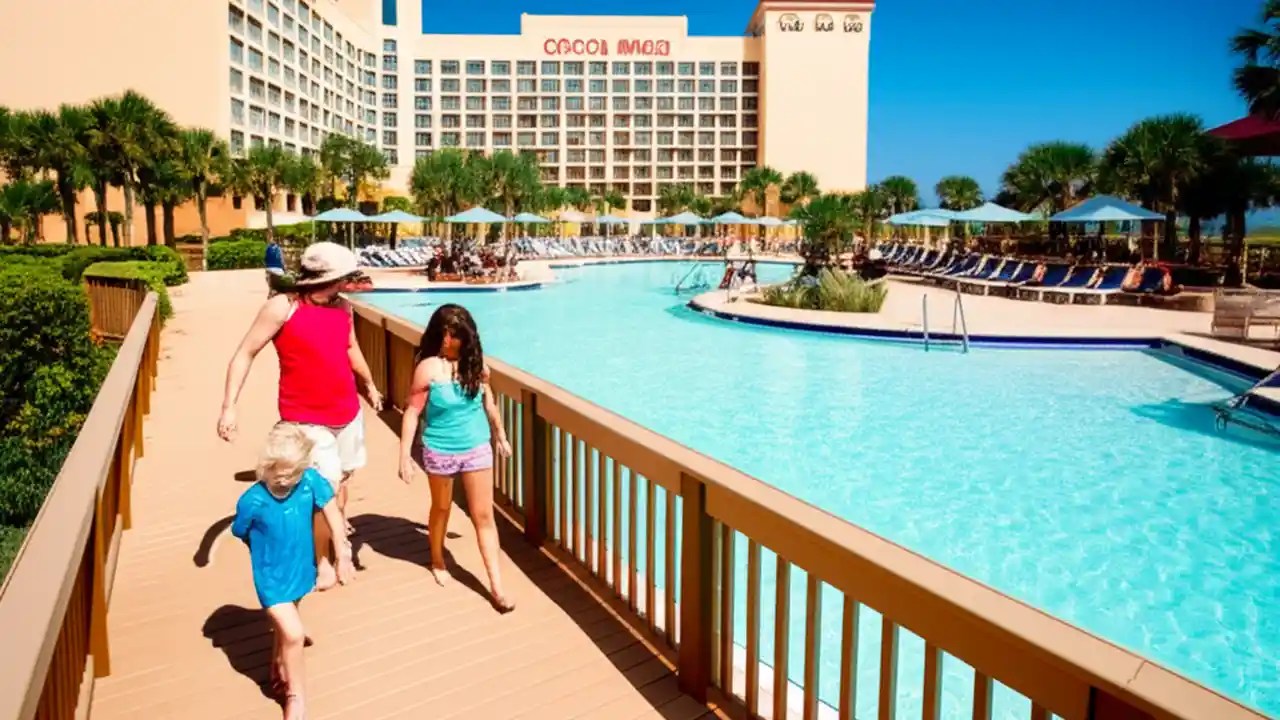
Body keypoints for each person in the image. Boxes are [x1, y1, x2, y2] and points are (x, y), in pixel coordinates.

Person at [218, 241, 383, 591]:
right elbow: (244, 353)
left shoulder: (344, 308)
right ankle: (325, 559)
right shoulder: (283, 307)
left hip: (347, 412)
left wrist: (369, 384)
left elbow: (350, 348)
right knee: (329, 487)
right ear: (332, 277)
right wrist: (229, 406)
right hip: (306, 417)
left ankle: (332, 536)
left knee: (342, 484)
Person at [231, 424, 354, 720]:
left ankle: (276, 666)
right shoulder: (253, 500)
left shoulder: (310, 482)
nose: (285, 478)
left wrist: (343, 554)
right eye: (277, 471)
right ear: (265, 465)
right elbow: (241, 531)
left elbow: (334, 516)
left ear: (305, 466)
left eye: (292, 472)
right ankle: (296, 698)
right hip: (271, 577)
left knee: (286, 631)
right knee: (295, 634)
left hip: (301, 570)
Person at [397, 304, 515, 612]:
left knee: (483, 516)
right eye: (448, 336)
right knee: (441, 508)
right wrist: (404, 455)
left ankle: (497, 585)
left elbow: (488, 401)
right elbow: (412, 412)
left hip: (477, 446)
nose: (452, 343)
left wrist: (500, 434)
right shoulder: (428, 368)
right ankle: (437, 559)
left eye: (458, 337)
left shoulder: (476, 365)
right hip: (440, 449)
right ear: (440, 334)